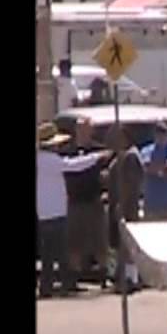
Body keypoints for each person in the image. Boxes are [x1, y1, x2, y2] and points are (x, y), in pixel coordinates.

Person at [36, 122, 111, 297]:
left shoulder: (41, 159)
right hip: (55, 211)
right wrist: (96, 157)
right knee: (60, 251)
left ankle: (48, 286)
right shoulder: (49, 160)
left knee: (49, 252)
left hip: (45, 211)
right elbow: (73, 165)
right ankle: (64, 284)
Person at [64, 118, 111, 280]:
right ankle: (74, 277)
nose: (83, 132)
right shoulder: (67, 151)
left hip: (94, 200)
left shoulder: (100, 151)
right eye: (80, 129)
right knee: (74, 242)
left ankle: (104, 274)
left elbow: (108, 173)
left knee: (100, 240)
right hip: (74, 201)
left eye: (86, 129)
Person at [106, 125, 144, 293]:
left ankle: (131, 279)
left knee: (127, 244)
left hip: (127, 207)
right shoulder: (120, 155)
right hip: (118, 203)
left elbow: (130, 184)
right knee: (120, 244)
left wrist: (122, 203)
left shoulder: (130, 157)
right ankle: (124, 277)